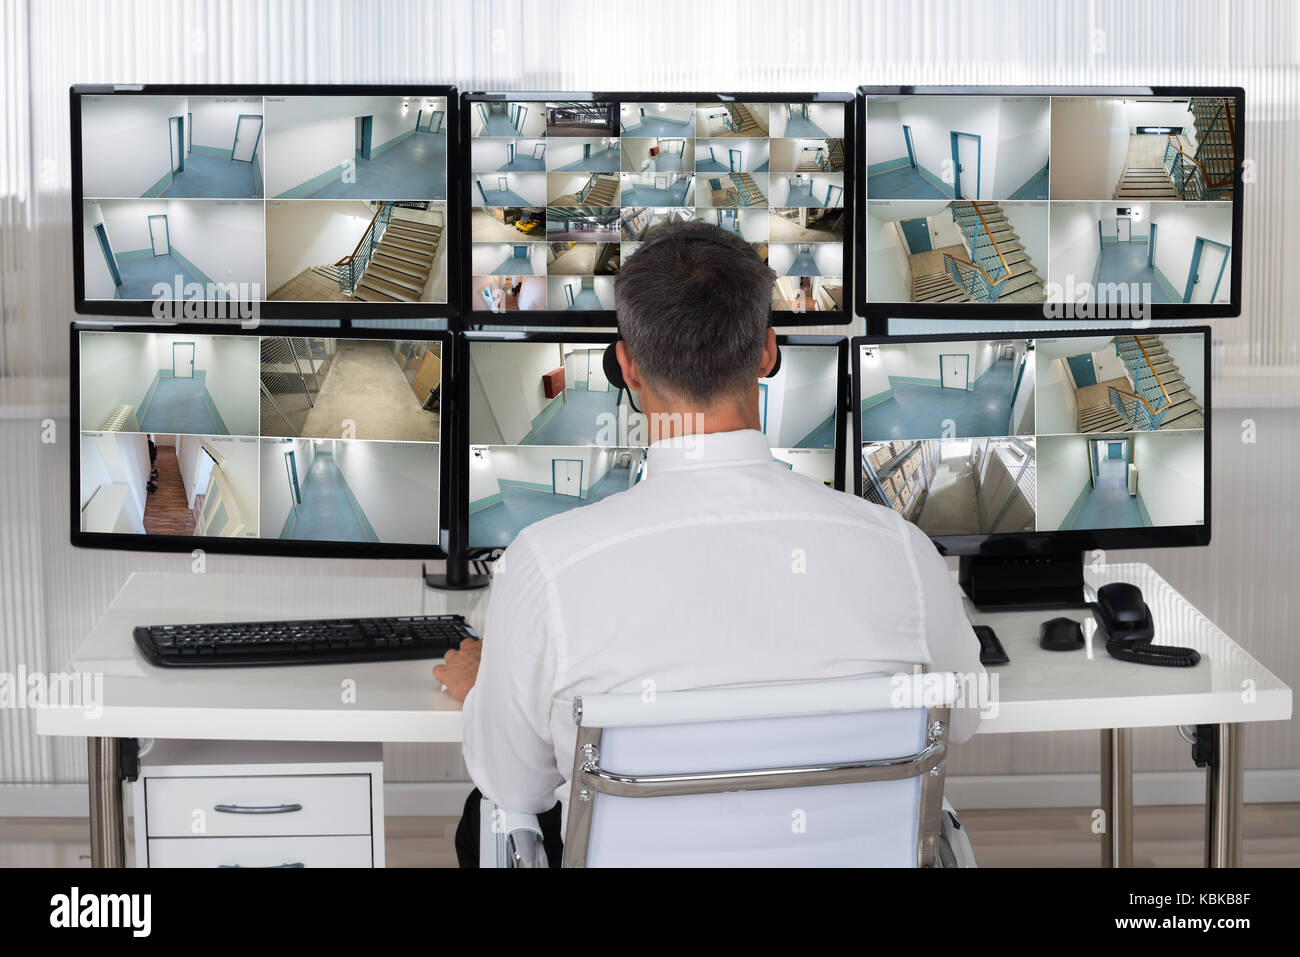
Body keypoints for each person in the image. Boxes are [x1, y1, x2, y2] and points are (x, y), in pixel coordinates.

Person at [436, 220, 985, 867]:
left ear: (626, 366)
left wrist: (484, 690)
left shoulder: (547, 565)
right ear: (768, 352)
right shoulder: (903, 553)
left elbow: (515, 785)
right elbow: (964, 717)